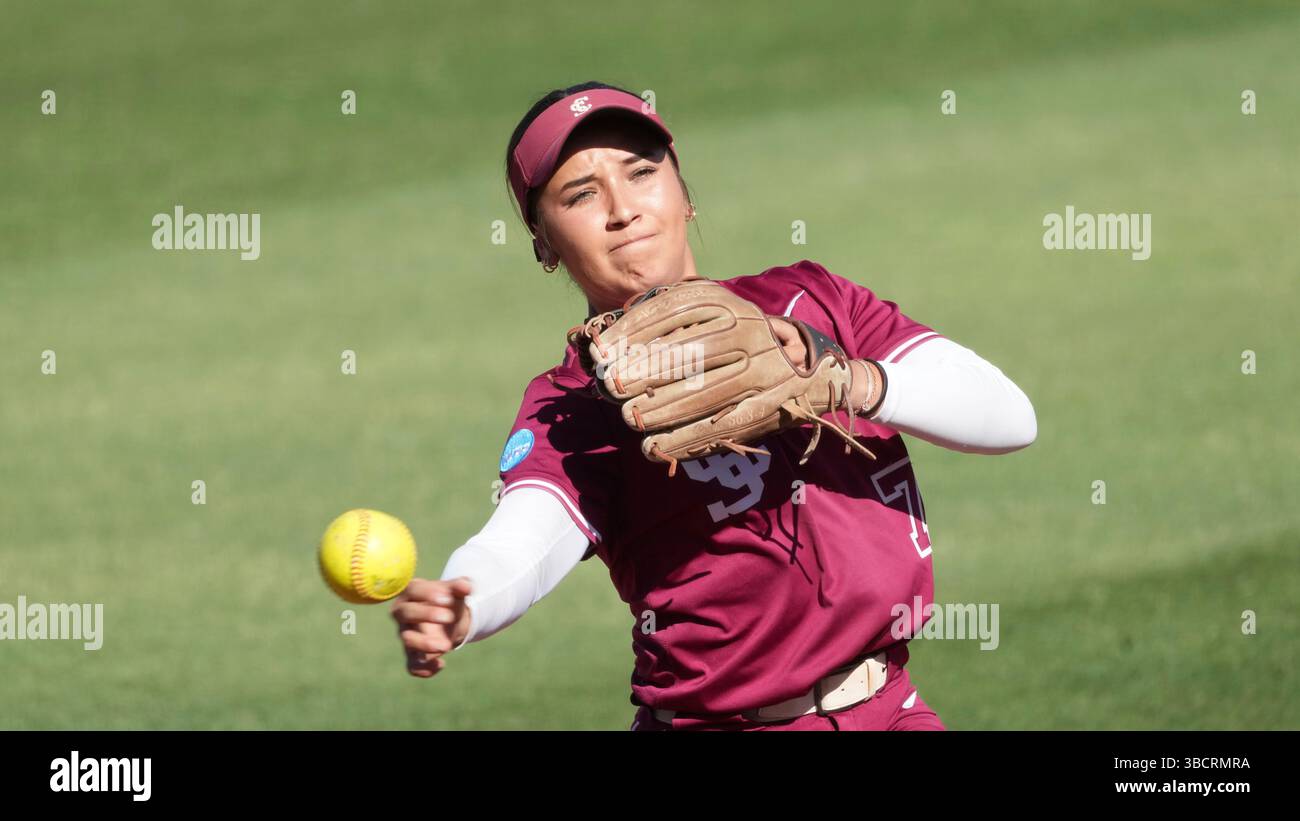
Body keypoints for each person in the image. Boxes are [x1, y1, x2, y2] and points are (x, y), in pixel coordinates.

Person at [390, 81, 1037, 730]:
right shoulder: (574, 404)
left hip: (891, 710)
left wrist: (846, 381)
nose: (623, 209)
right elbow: (523, 540)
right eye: (581, 194)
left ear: (686, 197)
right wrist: (462, 603)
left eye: (642, 173)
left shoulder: (809, 301)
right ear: (544, 244)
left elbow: (1010, 417)